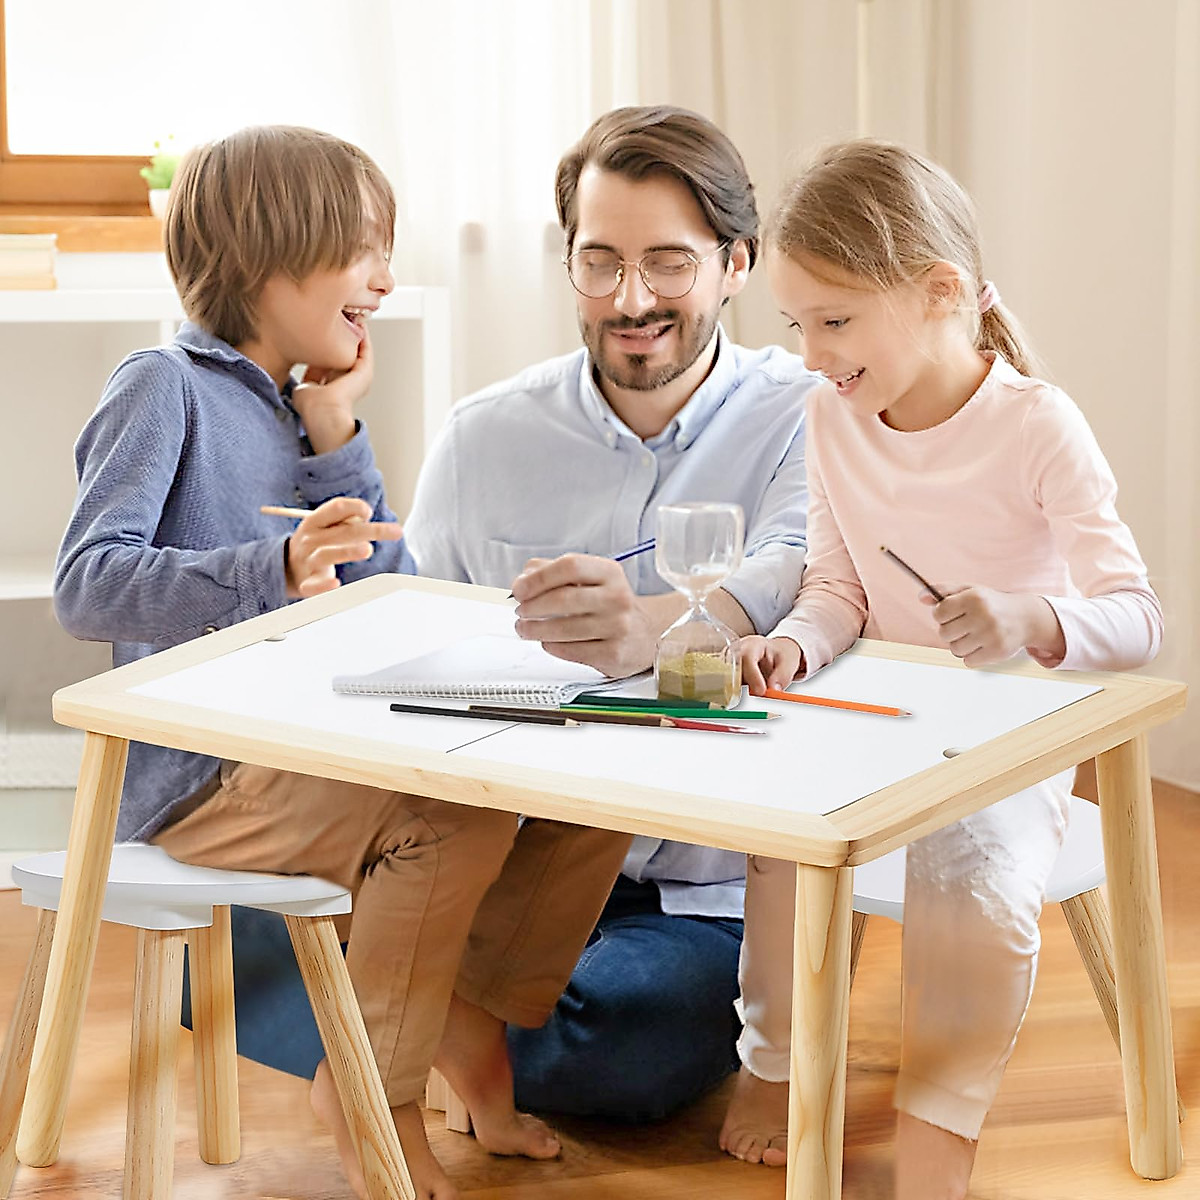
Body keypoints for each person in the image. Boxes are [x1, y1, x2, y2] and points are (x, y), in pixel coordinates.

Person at [55, 125, 625, 1200]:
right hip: (199, 779)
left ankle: (468, 1016)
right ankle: (373, 1092)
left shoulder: (302, 403)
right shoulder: (160, 387)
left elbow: (387, 595)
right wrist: (265, 565)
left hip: (315, 748)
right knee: (449, 817)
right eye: (365, 249)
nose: (387, 277)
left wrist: (337, 430)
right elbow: (91, 584)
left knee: (588, 776)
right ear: (272, 256)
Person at [734, 139, 1164, 1197]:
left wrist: (1031, 618)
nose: (810, 352)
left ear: (936, 294)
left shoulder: (1037, 425)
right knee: (772, 830)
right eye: (797, 324)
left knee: (970, 870)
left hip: (1005, 737)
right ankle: (773, 1065)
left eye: (833, 321)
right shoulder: (827, 415)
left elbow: (1137, 618)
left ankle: (941, 1126)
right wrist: (795, 641)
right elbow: (837, 591)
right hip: (879, 716)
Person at [404, 104, 819, 1123]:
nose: (631, 300)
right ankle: (441, 1017)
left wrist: (659, 629)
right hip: (501, 870)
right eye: (600, 263)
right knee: (241, 937)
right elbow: (409, 649)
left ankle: (427, 1032)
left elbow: (800, 565)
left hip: (697, 897)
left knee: (618, 1036)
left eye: (670, 264)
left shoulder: (812, 415)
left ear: (736, 264)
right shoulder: (481, 440)